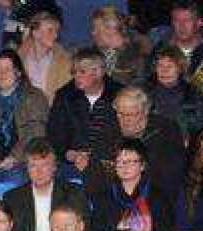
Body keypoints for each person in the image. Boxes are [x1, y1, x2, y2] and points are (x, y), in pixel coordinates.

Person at [0, 49, 50, 185]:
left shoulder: (35, 97)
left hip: (23, 160)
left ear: (18, 73)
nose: (2, 74)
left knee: (14, 177)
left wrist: (14, 157)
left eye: (7, 69)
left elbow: (36, 134)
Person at [92, 86, 186, 197]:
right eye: (120, 113)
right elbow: (100, 166)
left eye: (131, 114)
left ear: (145, 111)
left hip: (156, 194)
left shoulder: (166, 129)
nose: (125, 119)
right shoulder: (108, 129)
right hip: (116, 194)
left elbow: (173, 172)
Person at [46, 48, 123, 179]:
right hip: (70, 163)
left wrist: (97, 158)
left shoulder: (120, 95)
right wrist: (68, 153)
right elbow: (54, 133)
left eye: (82, 72)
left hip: (109, 162)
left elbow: (123, 134)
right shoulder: (65, 96)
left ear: (99, 72)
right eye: (74, 72)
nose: (76, 77)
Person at [3, 138, 91, 231]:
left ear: (54, 167)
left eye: (44, 165)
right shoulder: (12, 197)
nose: (39, 172)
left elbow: (84, 226)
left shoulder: (73, 192)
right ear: (27, 169)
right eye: (33, 166)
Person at [90, 139, 178, 231]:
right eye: (119, 162)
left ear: (142, 165)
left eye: (130, 161)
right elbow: (97, 230)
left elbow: (167, 230)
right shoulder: (104, 196)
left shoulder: (158, 196)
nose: (124, 167)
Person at [153, 0, 203, 96]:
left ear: (198, 23)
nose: (182, 26)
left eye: (187, 20)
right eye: (177, 21)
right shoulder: (161, 48)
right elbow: (149, 80)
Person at [145, 45, 203, 139]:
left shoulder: (193, 94)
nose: (164, 70)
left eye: (170, 66)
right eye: (160, 65)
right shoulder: (144, 91)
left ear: (180, 69)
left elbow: (201, 126)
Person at [15, 9, 73, 104]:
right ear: (35, 33)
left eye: (57, 31)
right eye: (50, 30)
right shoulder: (17, 60)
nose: (55, 35)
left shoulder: (64, 62)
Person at [89, 6, 149, 87]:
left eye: (96, 28)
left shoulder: (138, 55)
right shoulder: (91, 54)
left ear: (112, 29)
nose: (93, 33)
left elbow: (139, 89)